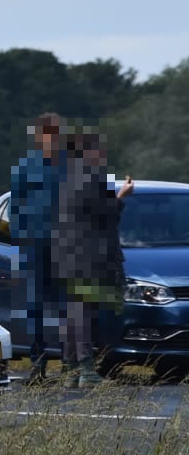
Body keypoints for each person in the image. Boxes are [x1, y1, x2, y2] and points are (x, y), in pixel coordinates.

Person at [52, 129, 133, 388]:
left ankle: (72, 371)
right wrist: (121, 196)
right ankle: (85, 371)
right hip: (85, 257)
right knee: (82, 313)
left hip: (69, 255)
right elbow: (104, 215)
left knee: (74, 313)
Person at [9, 113, 64, 385]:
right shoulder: (26, 168)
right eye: (46, 134)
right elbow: (16, 210)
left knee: (68, 306)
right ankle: (37, 365)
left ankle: (71, 363)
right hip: (36, 246)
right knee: (37, 308)